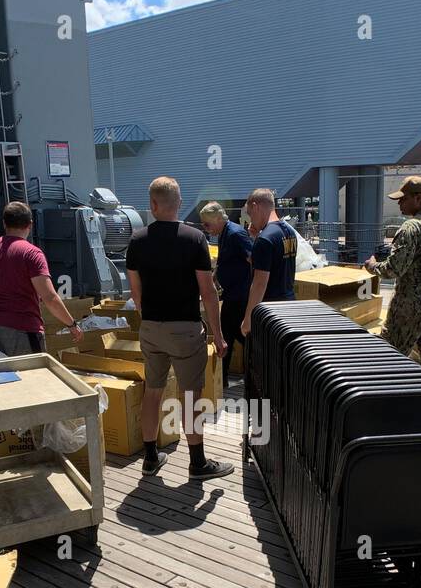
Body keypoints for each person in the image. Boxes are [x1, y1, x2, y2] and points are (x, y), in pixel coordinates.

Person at [126, 177, 231, 480]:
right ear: (179, 204)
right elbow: (208, 292)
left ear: (152, 205)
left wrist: (150, 317)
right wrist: (219, 335)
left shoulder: (137, 240)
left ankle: (149, 457)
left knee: (152, 391)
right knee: (190, 396)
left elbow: (136, 292)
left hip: (150, 327)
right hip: (185, 329)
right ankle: (197, 463)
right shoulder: (194, 238)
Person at [363, 175, 421, 366]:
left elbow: (393, 269)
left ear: (418, 198)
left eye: (403, 198)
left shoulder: (411, 228)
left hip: (408, 305)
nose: (399, 203)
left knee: (391, 354)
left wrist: (373, 266)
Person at [0, 201, 84, 355]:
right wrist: (72, 324)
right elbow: (49, 297)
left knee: (6, 375)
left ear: (4, 223)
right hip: (23, 327)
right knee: (34, 375)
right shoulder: (32, 254)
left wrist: (3, 291)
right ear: (30, 224)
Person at [199, 200, 253, 386]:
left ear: (217, 218)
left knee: (239, 338)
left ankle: (250, 379)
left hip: (241, 297)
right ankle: (222, 381)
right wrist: (213, 278)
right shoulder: (224, 233)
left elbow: (253, 260)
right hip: (231, 295)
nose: (206, 229)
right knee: (226, 337)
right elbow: (222, 262)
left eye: (207, 224)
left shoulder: (236, 234)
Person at [240, 188, 297, 338]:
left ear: (255, 206)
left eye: (250, 214)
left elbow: (259, 283)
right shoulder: (289, 232)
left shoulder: (265, 239)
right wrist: (255, 239)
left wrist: (248, 319)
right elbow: (276, 263)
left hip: (271, 311)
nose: (250, 220)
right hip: (290, 304)